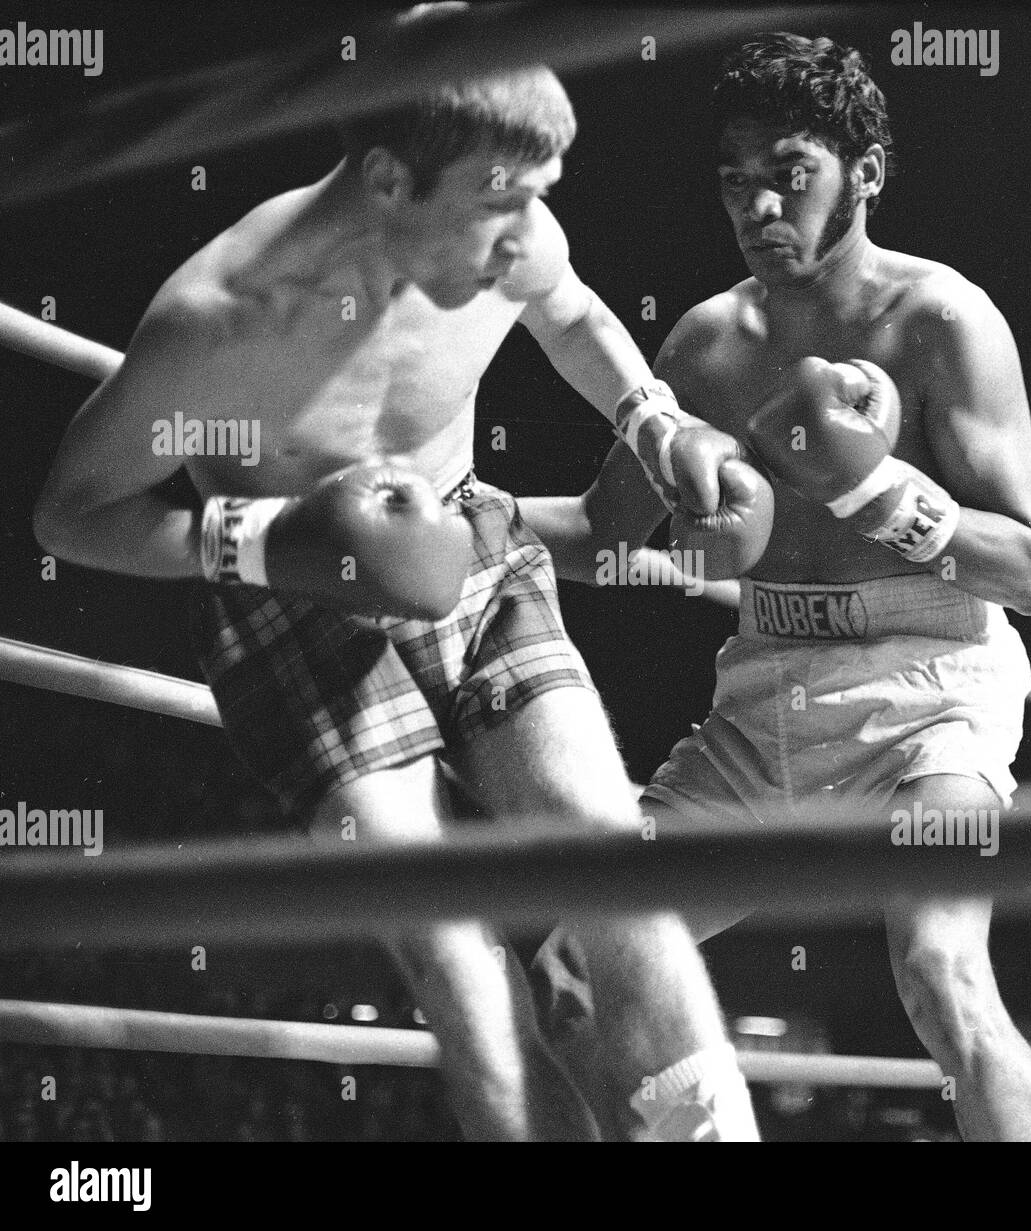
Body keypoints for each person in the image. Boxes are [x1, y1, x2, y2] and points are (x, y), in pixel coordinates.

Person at [32, 50, 762, 1142]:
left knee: (611, 860)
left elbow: (569, 315)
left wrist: (656, 422)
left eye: (539, 197)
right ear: (385, 181)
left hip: (469, 534)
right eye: (498, 202)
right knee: (455, 955)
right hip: (298, 601)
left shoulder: (511, 226)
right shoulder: (224, 315)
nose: (524, 236)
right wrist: (274, 539)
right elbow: (72, 513)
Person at [522, 32, 1031, 1140]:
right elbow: (597, 534)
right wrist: (458, 508)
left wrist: (880, 495)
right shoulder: (706, 346)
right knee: (576, 969)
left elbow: (1030, 570)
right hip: (761, 698)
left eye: (789, 173)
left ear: (864, 172)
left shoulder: (942, 319)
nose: (758, 204)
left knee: (938, 969)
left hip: (936, 693)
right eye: (736, 180)